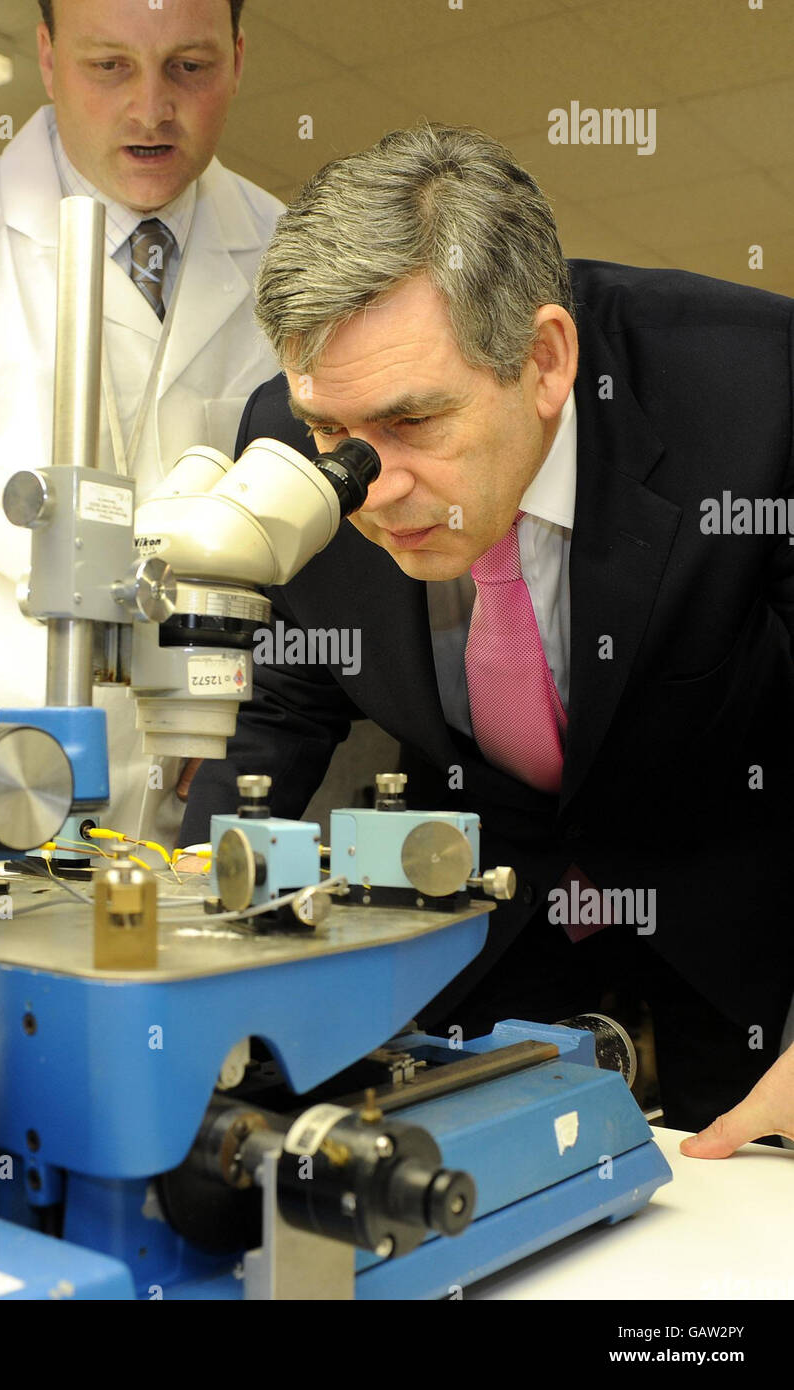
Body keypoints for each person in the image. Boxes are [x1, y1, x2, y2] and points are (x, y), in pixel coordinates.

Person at [180, 122, 794, 1152]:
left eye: (414, 422)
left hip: (727, 923)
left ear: (545, 360)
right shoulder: (290, 441)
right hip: (475, 928)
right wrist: (181, 930)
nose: (370, 488)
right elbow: (279, 709)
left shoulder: (754, 394)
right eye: (335, 433)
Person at [0, 0, 283, 844]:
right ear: (46, 54)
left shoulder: (288, 258)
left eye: (191, 66)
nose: (151, 108)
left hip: (192, 801)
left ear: (240, 57)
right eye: (108, 66)